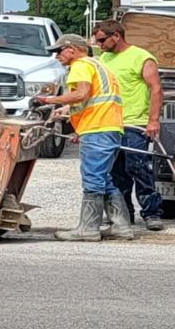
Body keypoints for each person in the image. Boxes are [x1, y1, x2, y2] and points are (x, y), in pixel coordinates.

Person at [33, 34, 134, 242]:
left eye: (59, 51)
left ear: (71, 48)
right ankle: (121, 226)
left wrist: (47, 100)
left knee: (93, 179)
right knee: (104, 178)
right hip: (109, 127)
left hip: (97, 129)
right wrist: (67, 110)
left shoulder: (80, 65)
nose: (56, 57)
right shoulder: (98, 65)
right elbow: (93, 99)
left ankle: (88, 229)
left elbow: (81, 94)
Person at [95, 21, 165, 231]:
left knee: (138, 167)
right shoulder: (104, 58)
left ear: (116, 36)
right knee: (116, 172)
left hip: (135, 123)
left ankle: (152, 212)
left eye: (102, 40)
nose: (99, 45)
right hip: (111, 123)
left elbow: (156, 89)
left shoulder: (141, 57)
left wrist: (153, 120)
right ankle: (124, 213)